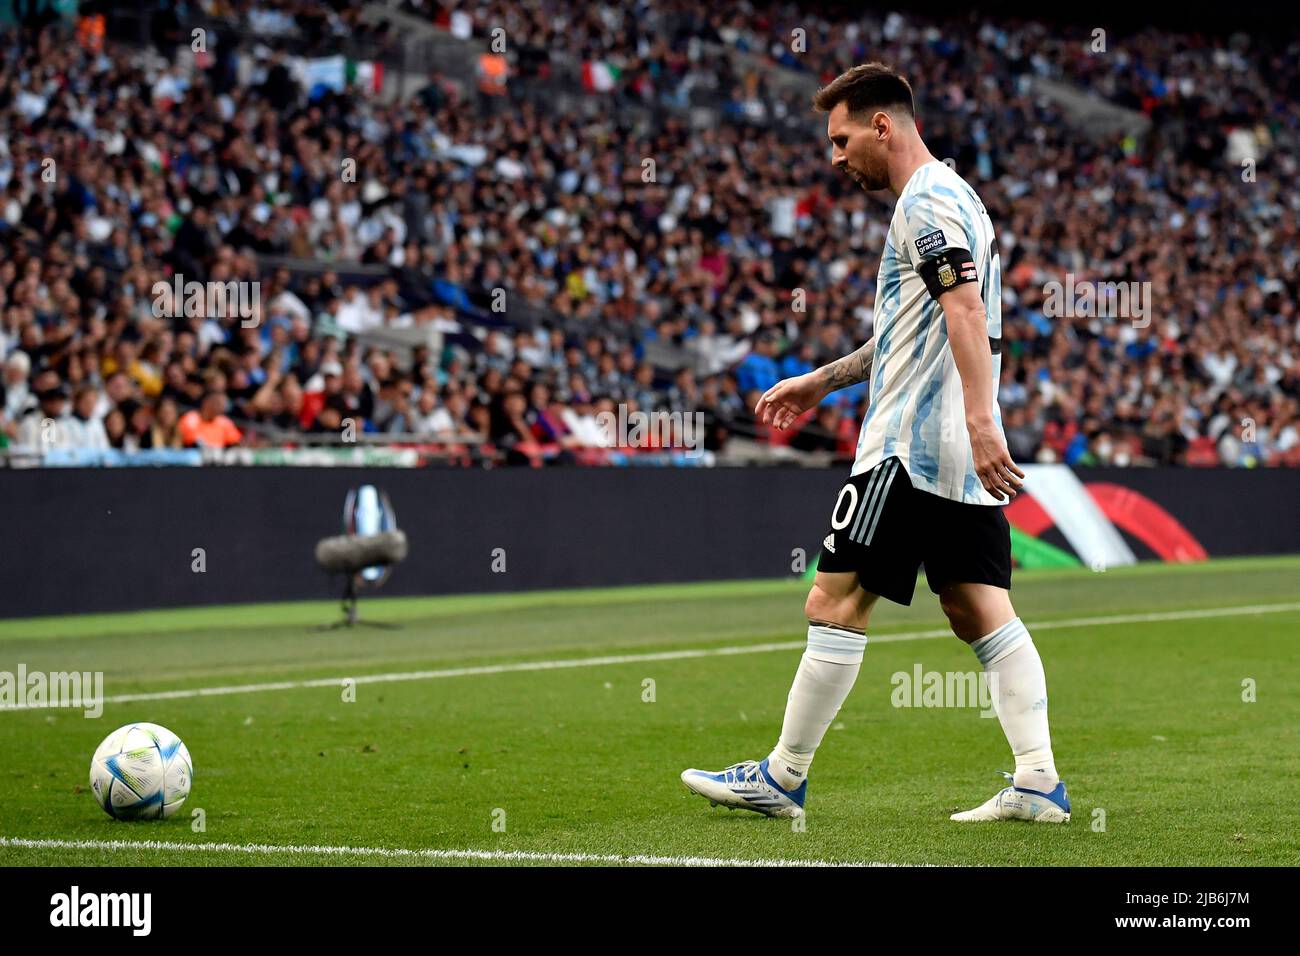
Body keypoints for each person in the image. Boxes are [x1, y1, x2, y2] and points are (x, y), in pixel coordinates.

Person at [681, 63, 1068, 824]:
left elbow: (961, 310)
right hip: (954, 453)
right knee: (976, 607)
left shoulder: (922, 204)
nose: (835, 156)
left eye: (840, 137)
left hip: (908, 447)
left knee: (833, 600)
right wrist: (822, 380)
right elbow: (913, 328)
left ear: (882, 125)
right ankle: (1038, 780)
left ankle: (783, 775)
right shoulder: (960, 200)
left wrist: (987, 420)